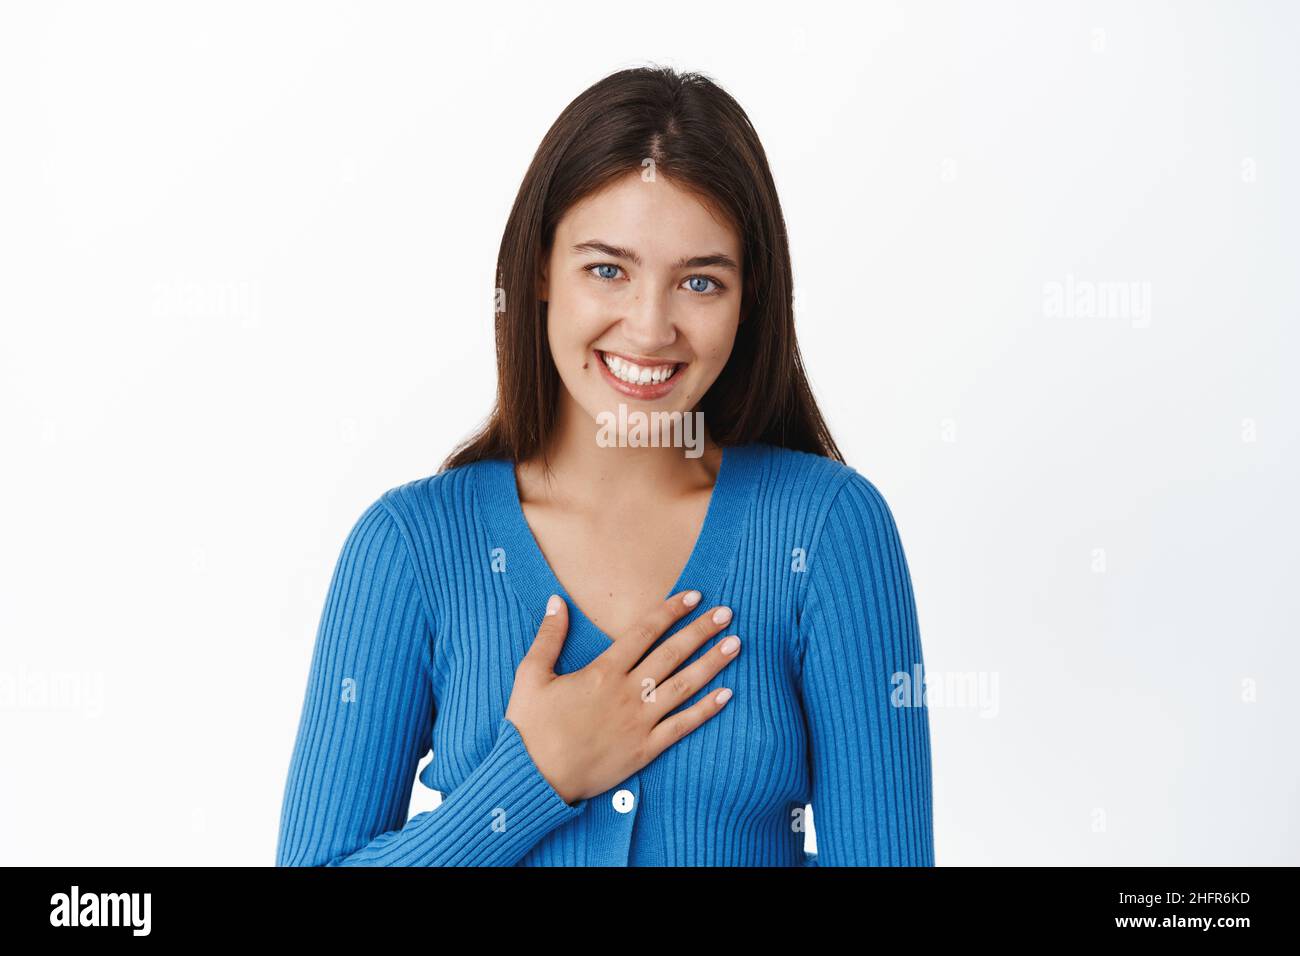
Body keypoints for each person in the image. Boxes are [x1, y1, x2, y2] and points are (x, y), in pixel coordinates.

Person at [276, 64, 934, 866]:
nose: (651, 328)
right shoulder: (409, 549)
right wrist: (536, 774)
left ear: (748, 298)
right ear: (542, 270)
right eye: (608, 270)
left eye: (699, 281)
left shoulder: (828, 531)